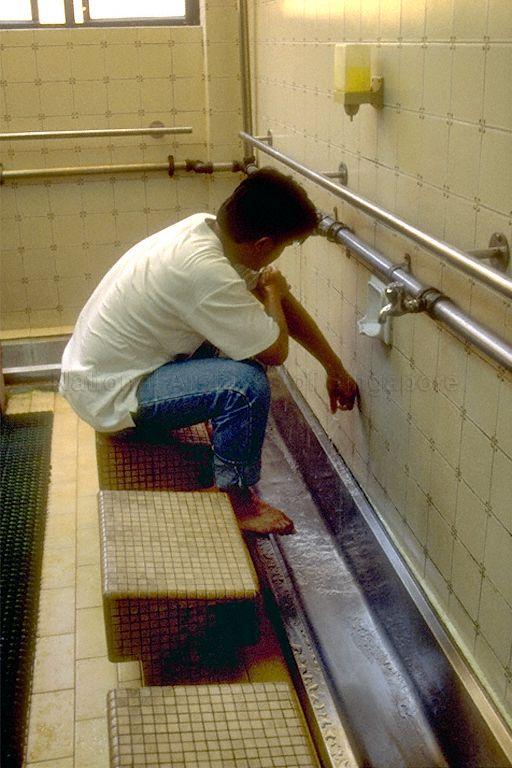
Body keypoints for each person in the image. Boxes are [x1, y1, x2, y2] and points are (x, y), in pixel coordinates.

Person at [60, 168, 358, 535]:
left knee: (242, 345)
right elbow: (275, 350)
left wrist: (334, 367)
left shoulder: (207, 231)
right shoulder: (204, 272)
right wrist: (274, 294)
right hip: (110, 396)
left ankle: (227, 453)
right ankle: (235, 503)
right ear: (263, 245)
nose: (279, 256)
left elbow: (280, 311)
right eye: (283, 246)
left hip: (100, 374)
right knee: (244, 386)